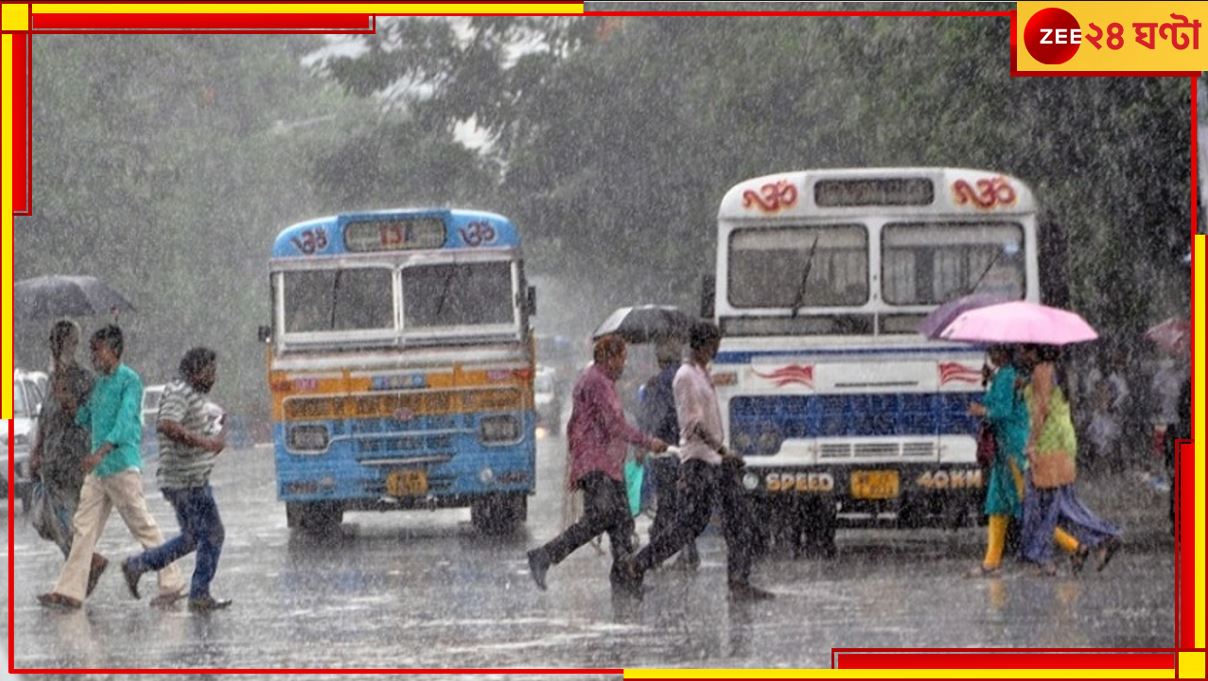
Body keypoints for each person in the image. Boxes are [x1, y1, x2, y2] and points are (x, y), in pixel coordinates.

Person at [619, 321, 774, 601]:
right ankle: (637, 564)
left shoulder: (703, 373)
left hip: (716, 460)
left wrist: (722, 452)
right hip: (699, 461)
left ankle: (738, 581)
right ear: (703, 345)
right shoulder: (685, 376)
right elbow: (693, 423)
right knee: (687, 526)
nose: (717, 349)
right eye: (714, 344)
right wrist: (722, 450)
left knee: (739, 520)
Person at [37, 325, 185, 609]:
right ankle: (70, 591)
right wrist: (67, 402)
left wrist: (101, 451)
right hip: (99, 471)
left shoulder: (129, 381)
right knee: (84, 528)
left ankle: (172, 581)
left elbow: (125, 423)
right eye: (91, 351)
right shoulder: (100, 384)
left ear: (114, 351)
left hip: (120, 466)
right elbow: (85, 417)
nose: (94, 357)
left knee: (142, 525)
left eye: (98, 350)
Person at [525, 335, 668, 591]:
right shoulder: (596, 382)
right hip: (597, 463)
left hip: (608, 463)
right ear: (609, 358)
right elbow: (613, 424)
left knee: (622, 521)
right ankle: (544, 556)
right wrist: (646, 441)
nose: (624, 365)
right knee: (600, 517)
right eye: (622, 359)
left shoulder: (600, 381)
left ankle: (625, 577)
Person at [120, 347, 231, 612]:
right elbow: (167, 424)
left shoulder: (191, 394)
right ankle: (198, 592)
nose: (213, 378)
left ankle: (140, 565)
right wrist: (206, 442)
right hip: (186, 482)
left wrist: (215, 432)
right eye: (210, 372)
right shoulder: (181, 392)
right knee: (212, 534)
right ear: (195, 371)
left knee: (194, 536)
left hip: (189, 480)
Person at [1018, 344, 1122, 577]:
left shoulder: (1042, 371)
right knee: (1059, 504)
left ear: (1036, 352)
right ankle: (1098, 540)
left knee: (1045, 507)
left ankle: (1101, 537)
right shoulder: (1055, 370)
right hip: (1061, 441)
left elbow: (1041, 410)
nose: (1021, 354)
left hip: (1049, 444)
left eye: (1024, 350)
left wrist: (1032, 444)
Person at [28, 320, 106, 588]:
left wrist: (71, 404)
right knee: (49, 521)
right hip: (51, 461)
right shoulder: (51, 379)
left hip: (73, 459)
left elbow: (92, 417)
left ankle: (81, 572)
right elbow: (45, 416)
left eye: (69, 343)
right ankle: (83, 570)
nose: (63, 349)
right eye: (59, 343)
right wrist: (36, 450)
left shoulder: (84, 379)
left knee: (67, 520)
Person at [965, 345, 1029, 577]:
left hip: (1012, 449)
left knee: (1027, 504)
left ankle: (1073, 546)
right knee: (997, 505)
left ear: (1004, 353)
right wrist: (990, 380)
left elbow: (1002, 411)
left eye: (995, 351)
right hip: (1003, 451)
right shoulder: (1004, 375)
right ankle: (991, 561)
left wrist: (980, 410)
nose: (991, 355)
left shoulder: (1008, 376)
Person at [638, 336, 699, 571]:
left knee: (666, 504)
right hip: (689, 450)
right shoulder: (689, 378)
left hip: (666, 451)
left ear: (659, 358)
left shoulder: (659, 384)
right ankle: (689, 552)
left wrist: (647, 440)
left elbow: (655, 416)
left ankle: (654, 554)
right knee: (684, 504)